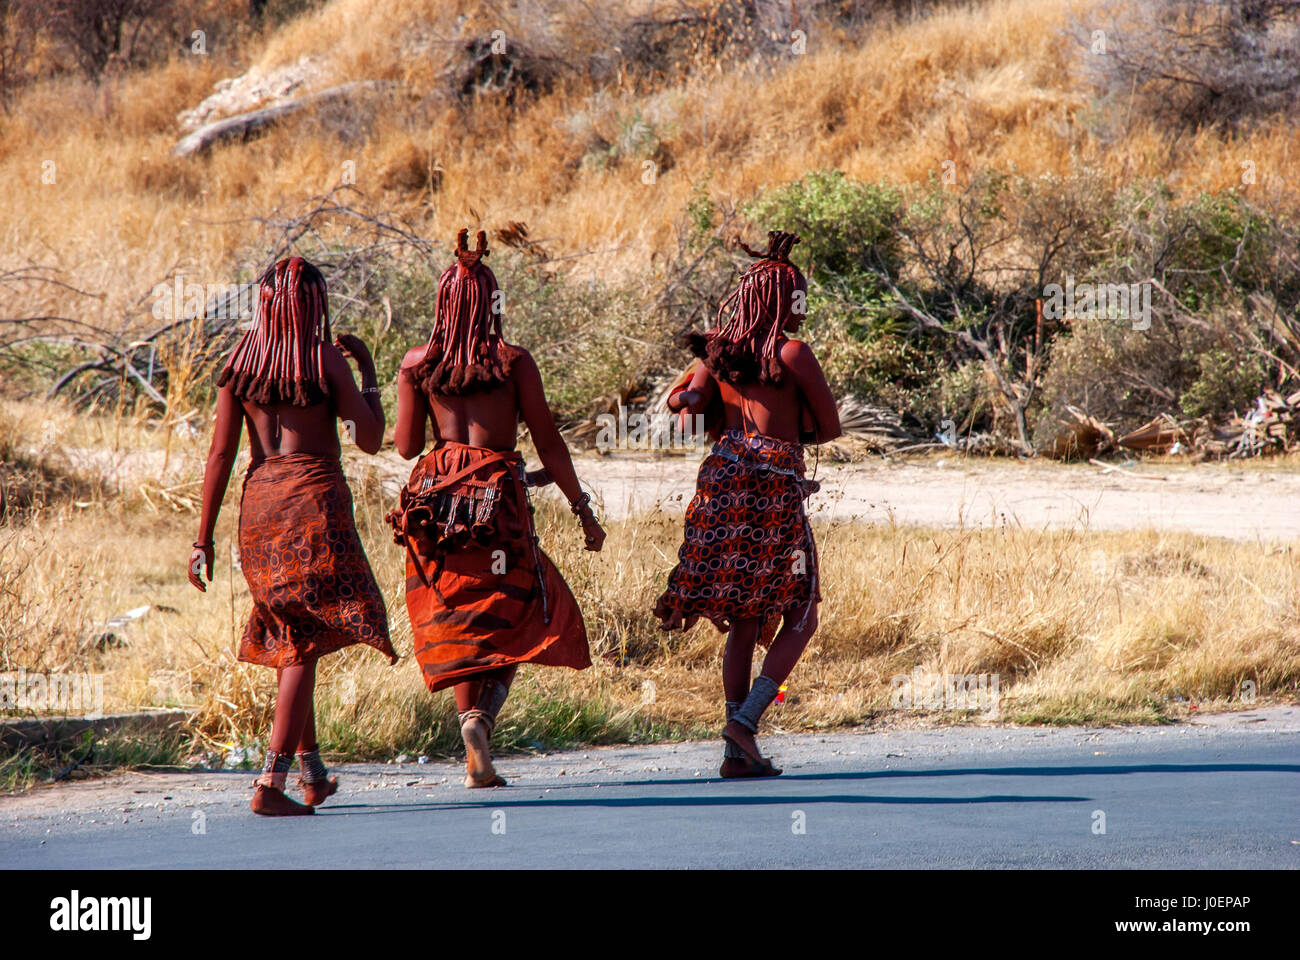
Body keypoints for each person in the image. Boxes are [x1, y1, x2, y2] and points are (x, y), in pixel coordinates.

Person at [389, 229, 604, 788]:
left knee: (460, 612)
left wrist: (390, 382)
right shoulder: (513, 362)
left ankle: (468, 724)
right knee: (519, 607)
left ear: (441, 303)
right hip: (495, 500)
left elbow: (408, 446)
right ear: (492, 305)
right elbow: (550, 442)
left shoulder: (418, 363)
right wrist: (582, 510)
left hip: (436, 504)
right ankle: (483, 720)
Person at [189, 256, 396, 817]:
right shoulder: (325, 361)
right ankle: (270, 784)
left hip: (258, 506)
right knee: (303, 636)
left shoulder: (239, 363)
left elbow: (220, 454)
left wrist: (202, 538)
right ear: (312, 305)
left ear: (264, 302)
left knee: (290, 630)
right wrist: (370, 372)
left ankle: (312, 776)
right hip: (313, 504)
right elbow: (372, 439)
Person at [654, 230, 841, 778]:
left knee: (743, 618)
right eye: (797, 296)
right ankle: (747, 722)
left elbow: (681, 400)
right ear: (778, 302)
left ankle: (737, 757)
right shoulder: (792, 353)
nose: (802, 305)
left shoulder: (721, 352)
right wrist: (794, 425)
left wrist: (690, 395)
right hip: (773, 490)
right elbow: (828, 428)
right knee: (801, 613)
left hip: (721, 487)